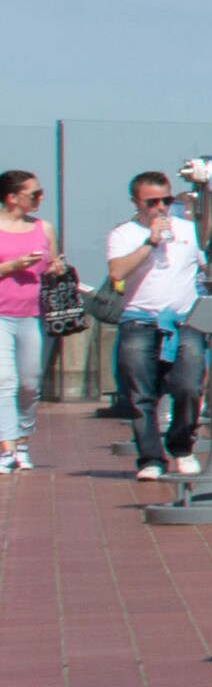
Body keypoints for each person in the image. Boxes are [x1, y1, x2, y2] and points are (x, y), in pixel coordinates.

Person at [105, 172, 203, 475]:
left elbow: (211, 265)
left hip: (183, 322)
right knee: (140, 395)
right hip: (139, 322)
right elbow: (117, 272)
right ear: (136, 202)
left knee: (189, 386)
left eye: (167, 200)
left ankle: (182, 446)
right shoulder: (123, 234)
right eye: (152, 202)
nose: (161, 208)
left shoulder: (190, 230)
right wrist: (151, 242)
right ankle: (150, 458)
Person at [0, 172, 63, 471]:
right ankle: (7, 448)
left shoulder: (43, 228)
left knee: (29, 382)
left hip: (32, 315)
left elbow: (53, 265)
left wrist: (56, 266)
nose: (41, 199)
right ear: (12, 197)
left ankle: (23, 438)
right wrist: (10, 267)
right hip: (1, 315)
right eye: (34, 194)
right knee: (4, 381)